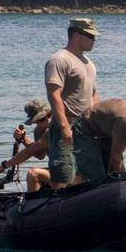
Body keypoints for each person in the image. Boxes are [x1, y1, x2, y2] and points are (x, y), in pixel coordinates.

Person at [45, 18, 99, 189]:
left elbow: (94, 95)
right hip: (66, 125)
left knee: (86, 174)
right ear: (76, 35)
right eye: (90, 36)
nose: (94, 40)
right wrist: (63, 126)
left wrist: (96, 123)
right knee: (64, 174)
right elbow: (54, 94)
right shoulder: (60, 59)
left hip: (86, 128)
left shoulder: (89, 63)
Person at [0, 99, 53, 192]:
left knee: (33, 174)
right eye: (41, 119)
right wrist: (23, 139)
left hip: (72, 172)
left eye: (49, 116)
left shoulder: (54, 128)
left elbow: (28, 152)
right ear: (35, 121)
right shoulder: (38, 131)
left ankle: (33, 204)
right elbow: (40, 155)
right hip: (56, 169)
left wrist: (2, 167)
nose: (48, 120)